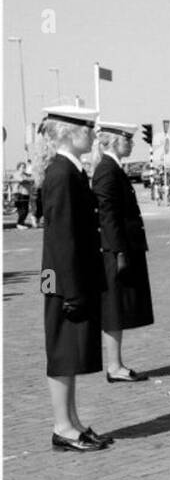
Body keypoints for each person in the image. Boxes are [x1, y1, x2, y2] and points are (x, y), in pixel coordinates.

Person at [34, 105, 114, 451]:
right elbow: (62, 238)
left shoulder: (71, 170)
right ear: (68, 131)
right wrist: (70, 290)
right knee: (63, 352)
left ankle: (72, 421)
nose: (94, 133)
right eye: (87, 127)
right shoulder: (62, 173)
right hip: (64, 279)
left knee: (70, 353)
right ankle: (62, 427)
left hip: (70, 277)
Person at [93, 120, 154, 383]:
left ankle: (116, 364)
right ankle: (114, 366)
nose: (131, 144)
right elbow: (107, 216)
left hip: (122, 247)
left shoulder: (113, 168)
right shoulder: (107, 170)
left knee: (118, 308)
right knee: (114, 308)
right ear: (115, 141)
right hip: (116, 250)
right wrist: (118, 252)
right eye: (127, 140)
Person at [13, 161, 33, 227]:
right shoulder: (16, 174)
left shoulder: (26, 174)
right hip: (19, 193)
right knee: (22, 210)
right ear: (18, 168)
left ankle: (21, 223)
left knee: (25, 210)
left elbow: (32, 179)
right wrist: (29, 180)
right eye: (22, 167)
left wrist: (29, 179)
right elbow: (22, 180)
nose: (24, 168)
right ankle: (19, 223)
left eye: (24, 167)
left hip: (26, 194)